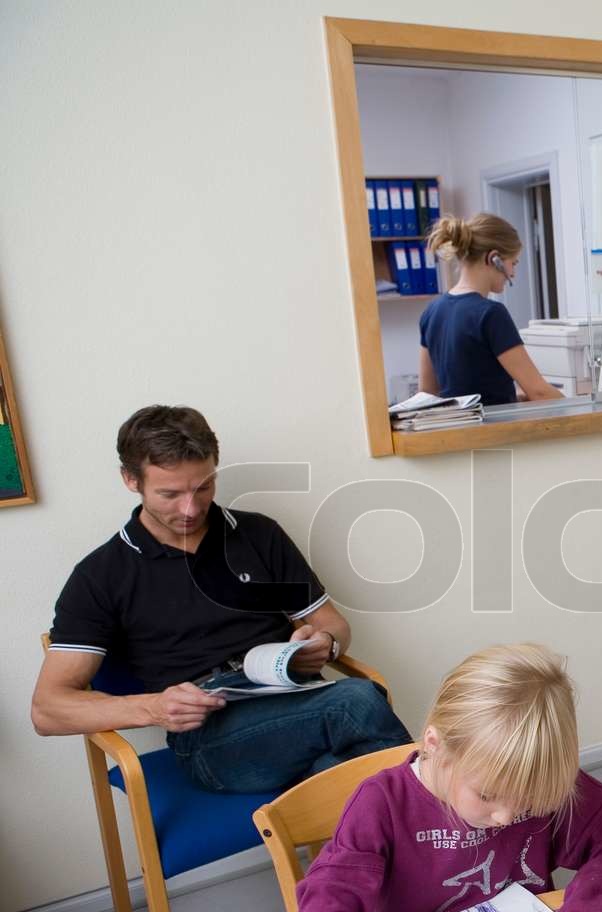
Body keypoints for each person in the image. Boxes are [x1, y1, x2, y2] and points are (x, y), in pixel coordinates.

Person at [32, 405, 411, 793]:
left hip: (295, 698)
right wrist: (153, 707)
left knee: (349, 773)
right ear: (131, 480)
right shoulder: (100, 575)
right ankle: (439, 837)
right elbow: (48, 710)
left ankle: (353, 837)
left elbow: (332, 623)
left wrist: (325, 645)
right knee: (359, 701)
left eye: (204, 487)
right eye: (170, 494)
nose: (191, 509)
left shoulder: (258, 534)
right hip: (211, 735)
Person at [283, 644, 602, 912]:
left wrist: (593, 903)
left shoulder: (532, 777)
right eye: (487, 795)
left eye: (529, 801)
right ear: (435, 746)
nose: (507, 816)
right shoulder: (378, 807)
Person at [420, 213, 564, 406]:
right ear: (493, 258)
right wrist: (581, 408)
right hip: (495, 432)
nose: (512, 273)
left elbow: (427, 392)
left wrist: (512, 399)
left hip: (460, 431)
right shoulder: (490, 313)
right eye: (513, 263)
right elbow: (539, 392)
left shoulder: (432, 311)